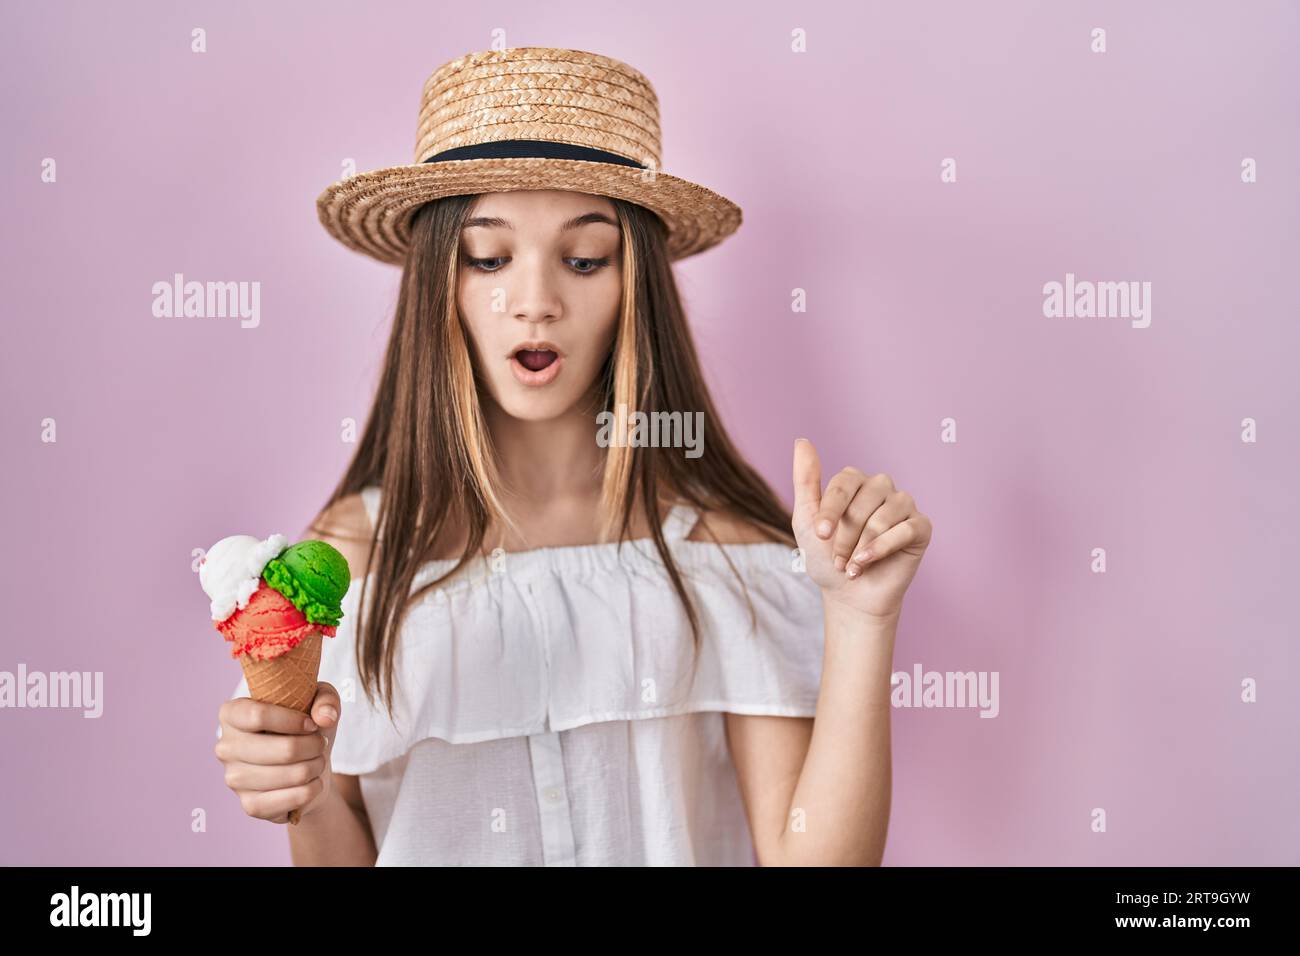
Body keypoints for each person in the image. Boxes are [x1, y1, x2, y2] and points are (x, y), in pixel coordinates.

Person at [214, 47, 931, 866]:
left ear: (637, 287)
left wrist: (863, 621)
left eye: (585, 259)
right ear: (437, 283)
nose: (535, 302)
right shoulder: (351, 562)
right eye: (489, 258)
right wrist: (300, 797)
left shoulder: (723, 553)